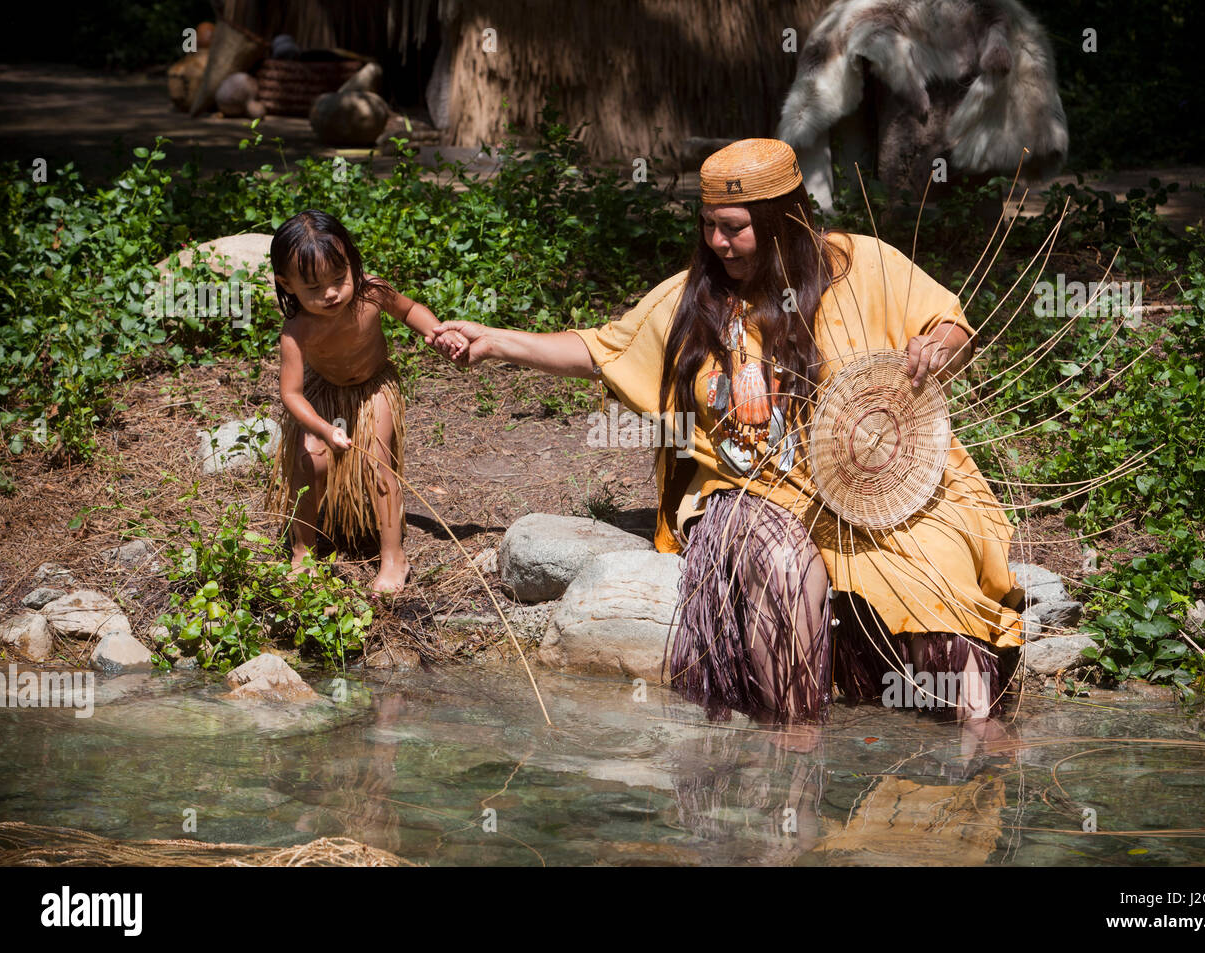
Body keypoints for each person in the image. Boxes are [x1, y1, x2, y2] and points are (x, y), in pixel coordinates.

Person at [429, 139, 1023, 724]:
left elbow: (950, 327)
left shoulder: (860, 264)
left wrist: (934, 349)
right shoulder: (697, 298)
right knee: (787, 569)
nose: (718, 242)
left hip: (871, 488)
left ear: (784, 221)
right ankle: (793, 745)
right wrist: (496, 342)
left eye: (734, 228)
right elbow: (600, 349)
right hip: (750, 492)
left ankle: (983, 748)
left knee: (938, 573)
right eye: (709, 225)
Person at [267, 209, 462, 594]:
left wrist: (436, 332)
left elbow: (408, 310)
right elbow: (290, 393)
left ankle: (394, 557)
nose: (330, 293)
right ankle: (304, 549)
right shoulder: (297, 329)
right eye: (313, 288)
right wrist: (323, 429)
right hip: (323, 390)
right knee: (310, 461)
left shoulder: (372, 292)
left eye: (339, 278)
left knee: (377, 464)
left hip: (374, 387)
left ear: (353, 265)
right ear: (286, 284)